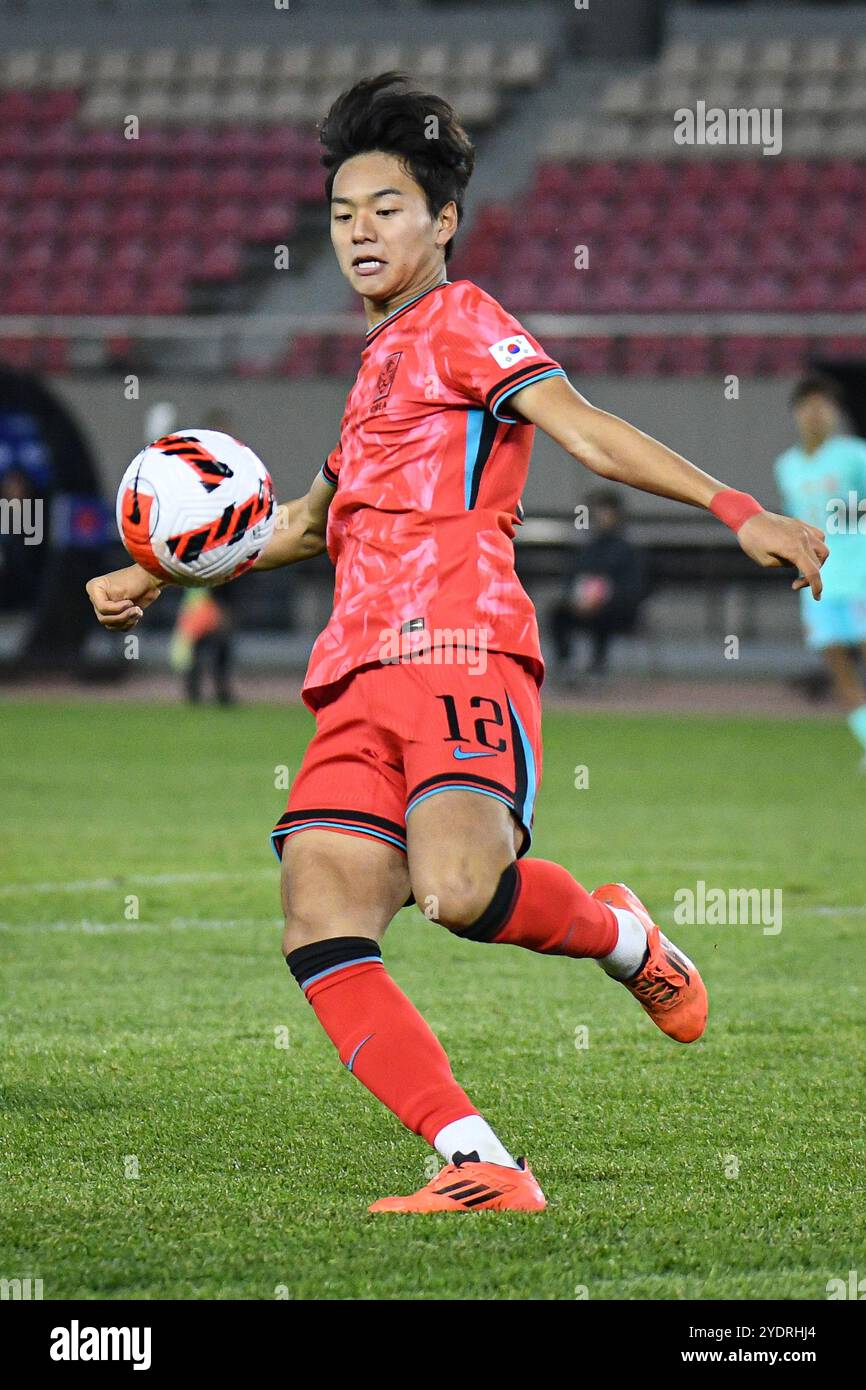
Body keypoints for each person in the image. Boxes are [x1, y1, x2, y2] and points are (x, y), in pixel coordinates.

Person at [86, 74, 827, 1214]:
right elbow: (300, 527)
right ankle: (476, 1157)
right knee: (318, 902)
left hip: (458, 651)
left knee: (458, 891)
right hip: (351, 677)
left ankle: (624, 940)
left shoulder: (466, 323)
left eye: (385, 207)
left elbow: (586, 431)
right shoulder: (371, 371)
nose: (358, 232)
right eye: (340, 214)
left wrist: (739, 510)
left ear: (441, 222)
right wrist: (157, 567)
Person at [775, 373, 866, 767]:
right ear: (797, 414)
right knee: (841, 674)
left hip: (861, 576)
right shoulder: (788, 466)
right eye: (808, 407)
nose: (816, 415)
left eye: (824, 407)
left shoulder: (854, 456)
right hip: (819, 583)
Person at [550, 488, 646, 676]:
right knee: (558, 614)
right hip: (583, 605)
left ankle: (597, 666)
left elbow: (635, 588)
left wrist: (603, 598)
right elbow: (572, 577)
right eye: (598, 511)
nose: (601, 516)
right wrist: (576, 599)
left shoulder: (629, 549)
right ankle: (566, 665)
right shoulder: (589, 548)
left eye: (606, 511)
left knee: (603, 616)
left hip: (616, 610)